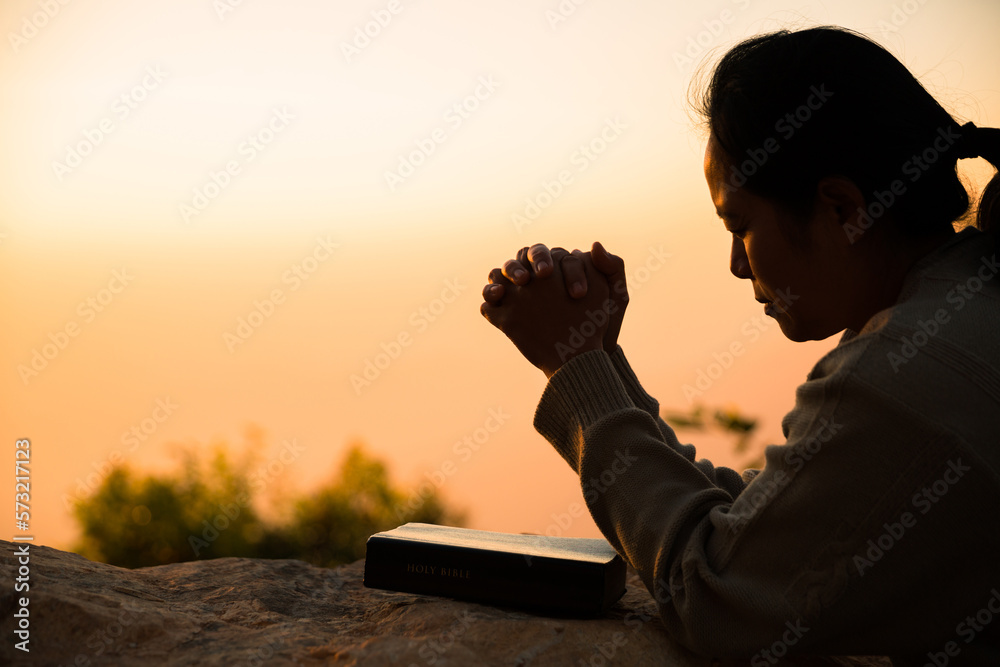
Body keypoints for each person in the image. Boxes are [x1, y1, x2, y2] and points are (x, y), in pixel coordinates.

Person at [480, 26, 1000, 665]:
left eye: (741, 225)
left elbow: (716, 595)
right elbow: (767, 531)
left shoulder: (901, 373)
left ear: (841, 209)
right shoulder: (967, 293)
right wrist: (599, 362)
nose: (735, 263)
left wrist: (574, 365)